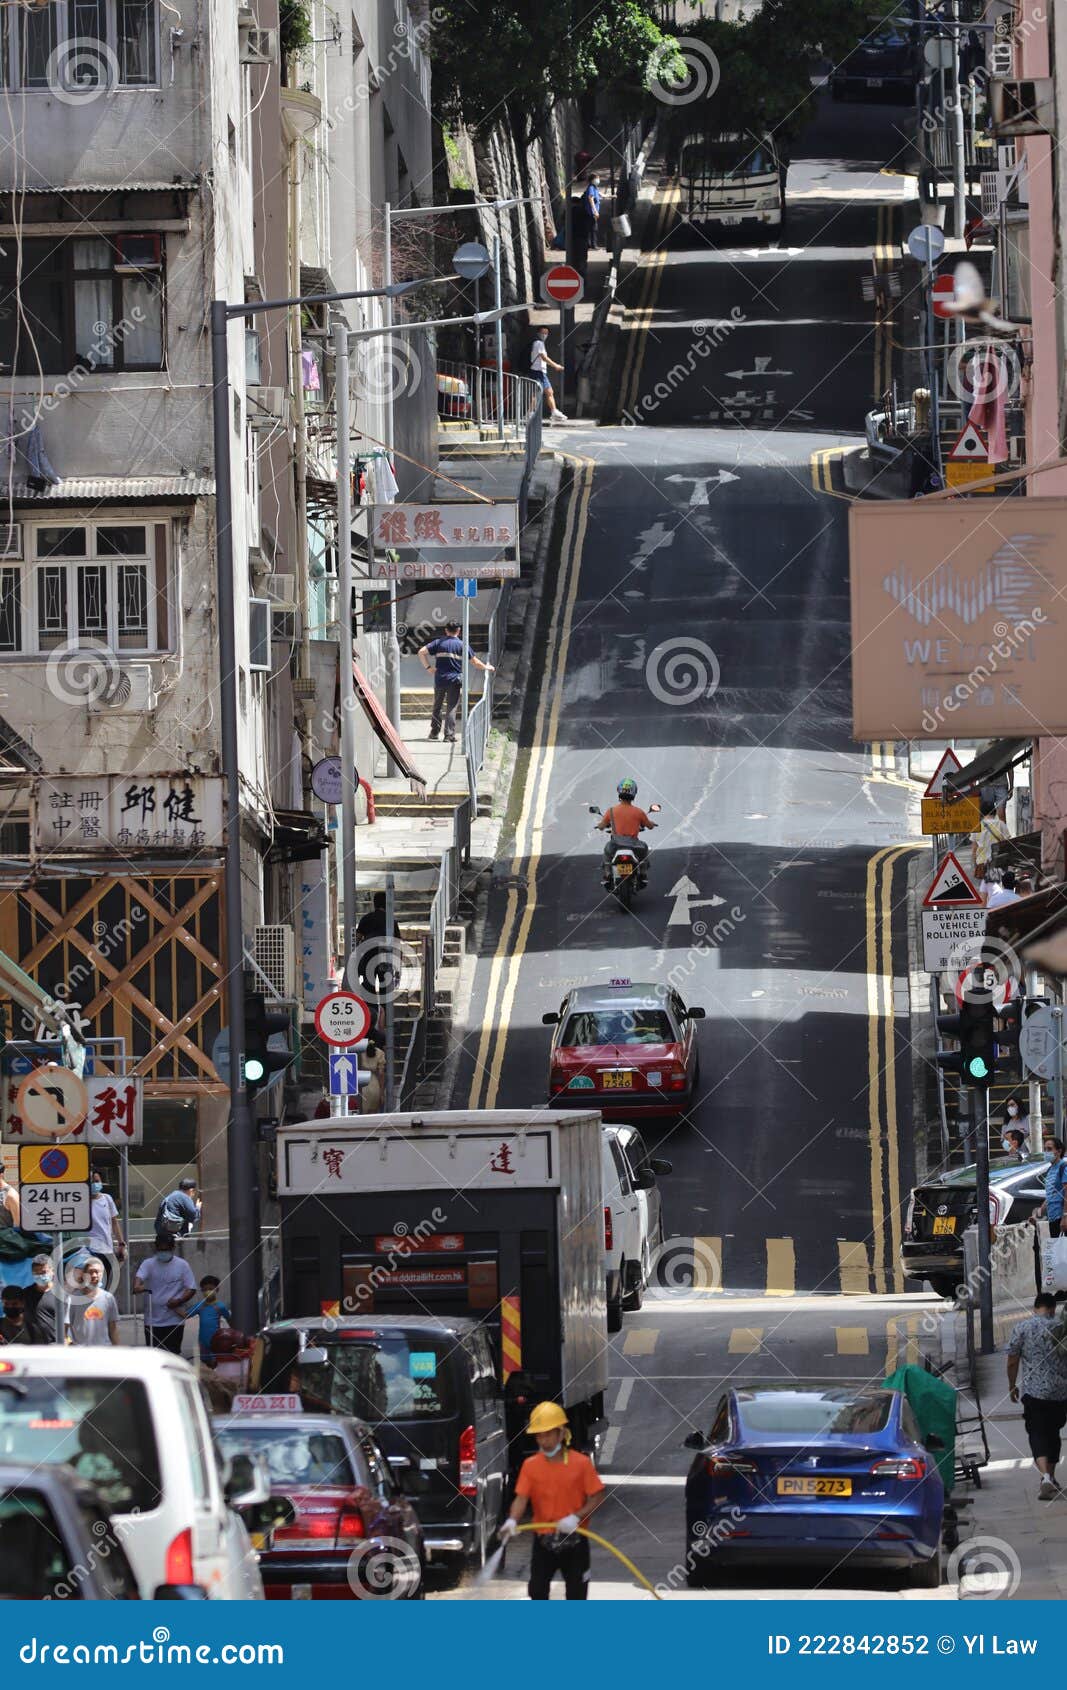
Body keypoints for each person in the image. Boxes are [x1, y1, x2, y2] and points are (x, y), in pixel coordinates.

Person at [498, 1402, 605, 1600]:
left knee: (576, 1594)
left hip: (575, 1541)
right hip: (544, 1542)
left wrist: (576, 1517)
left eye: (548, 1434)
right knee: (537, 1592)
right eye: (539, 1435)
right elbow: (522, 1498)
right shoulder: (531, 1466)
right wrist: (512, 1519)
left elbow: (597, 1496)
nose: (543, 1440)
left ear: (561, 1433)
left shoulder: (580, 1464)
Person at [1007, 1292, 1067, 1499]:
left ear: (1035, 1308)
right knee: (1053, 1434)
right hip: (1060, 1393)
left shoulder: (1022, 1328)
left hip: (1034, 1392)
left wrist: (1011, 1385)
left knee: (1037, 1433)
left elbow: (1012, 1360)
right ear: (1052, 1309)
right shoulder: (1061, 1328)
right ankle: (1050, 1476)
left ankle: (1045, 1477)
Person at [417, 620, 495, 745]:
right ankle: (449, 735)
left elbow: (421, 652)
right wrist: (487, 667)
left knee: (437, 705)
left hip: (440, 679)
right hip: (454, 681)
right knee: (451, 707)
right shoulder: (462, 645)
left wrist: (429, 668)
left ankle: (434, 732)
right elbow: (475, 662)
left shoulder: (438, 643)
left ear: (446, 630)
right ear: (458, 631)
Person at [133, 1235, 197, 1353]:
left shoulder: (182, 1265)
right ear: (156, 1248)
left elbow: (191, 1288)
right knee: (154, 1355)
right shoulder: (148, 1264)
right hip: (152, 1320)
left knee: (173, 1354)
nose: (163, 1252)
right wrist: (137, 1286)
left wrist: (179, 1301)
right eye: (160, 1250)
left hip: (174, 1320)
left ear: (173, 1248)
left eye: (166, 1249)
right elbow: (139, 1278)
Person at [596, 778, 657, 887]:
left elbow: (601, 826)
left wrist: (599, 826)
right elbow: (649, 826)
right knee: (644, 848)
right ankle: (642, 874)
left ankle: (608, 874)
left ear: (619, 792)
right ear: (634, 793)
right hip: (633, 845)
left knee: (606, 851)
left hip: (616, 845)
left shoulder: (611, 811)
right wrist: (651, 824)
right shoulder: (639, 812)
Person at [353, 892, 404, 999]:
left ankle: (372, 1013)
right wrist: (398, 969)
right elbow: (397, 946)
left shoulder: (366, 918)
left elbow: (356, 940)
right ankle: (384, 1014)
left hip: (368, 958)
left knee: (368, 991)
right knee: (385, 993)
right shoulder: (391, 921)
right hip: (385, 959)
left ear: (374, 904)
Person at [69, 1257, 120, 1348]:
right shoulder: (73, 1299)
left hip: (103, 1353)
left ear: (102, 1274)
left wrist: (118, 1351)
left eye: (97, 1272)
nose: (94, 1275)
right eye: (91, 1272)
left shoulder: (109, 1298)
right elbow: (65, 1330)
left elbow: (113, 1330)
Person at [88, 1173, 126, 1291]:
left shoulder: (107, 1198)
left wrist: (121, 1243)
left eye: (97, 1180)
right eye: (92, 1181)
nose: (95, 1184)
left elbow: (114, 1222)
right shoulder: (81, 1201)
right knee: (92, 1285)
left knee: (106, 1286)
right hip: (90, 1251)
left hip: (107, 1249)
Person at [187, 1275, 231, 1368]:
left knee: (215, 1363)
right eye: (205, 1289)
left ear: (217, 1289)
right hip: (202, 1341)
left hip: (216, 1340)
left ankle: (215, 1378)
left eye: (211, 1289)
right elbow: (186, 1315)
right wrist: (174, 1308)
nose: (208, 1291)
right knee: (205, 1362)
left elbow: (229, 1318)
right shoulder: (199, 1306)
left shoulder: (220, 1306)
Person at [24, 1253, 66, 1344]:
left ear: (53, 1271)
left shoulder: (61, 1295)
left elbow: (67, 1324)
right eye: (36, 1273)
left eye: (43, 1272)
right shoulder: (25, 1294)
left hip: (55, 1348)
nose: (40, 1276)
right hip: (32, 1349)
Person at [970, 794, 1010, 888]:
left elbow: (974, 849)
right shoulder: (1001, 825)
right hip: (999, 862)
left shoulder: (977, 826)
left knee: (985, 891)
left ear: (981, 812)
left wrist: (974, 865)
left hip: (982, 864)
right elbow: (1008, 845)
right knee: (998, 889)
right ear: (995, 812)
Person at [528, 329, 567, 423]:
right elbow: (543, 357)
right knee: (539, 393)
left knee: (548, 391)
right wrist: (555, 365)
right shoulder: (539, 343)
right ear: (538, 333)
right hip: (538, 371)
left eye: (546, 333)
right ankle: (530, 413)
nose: (545, 335)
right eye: (543, 332)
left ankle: (553, 412)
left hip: (540, 372)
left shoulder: (539, 343)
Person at [1035, 1136, 1067, 1237]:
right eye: (1045, 1149)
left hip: (1061, 1217)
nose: (1046, 1152)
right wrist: (1038, 1214)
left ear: (1059, 1151)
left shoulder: (1063, 1167)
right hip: (1052, 1217)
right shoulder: (1050, 1170)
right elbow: (1050, 1196)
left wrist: (1065, 1216)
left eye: (1049, 1149)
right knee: (1057, 1250)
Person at [155, 1176, 200, 1241]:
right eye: (194, 1192)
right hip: (176, 1237)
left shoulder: (169, 1197)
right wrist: (198, 1207)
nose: (194, 1194)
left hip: (162, 1236)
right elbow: (194, 1217)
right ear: (191, 1190)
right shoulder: (184, 1197)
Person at [581, 173, 602, 249]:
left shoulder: (595, 188)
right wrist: (595, 211)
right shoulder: (591, 188)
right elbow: (591, 199)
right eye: (597, 178)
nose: (598, 180)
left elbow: (601, 195)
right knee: (593, 229)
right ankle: (593, 245)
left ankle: (590, 244)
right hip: (591, 212)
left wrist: (611, 196)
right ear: (592, 180)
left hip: (592, 212)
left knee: (592, 228)